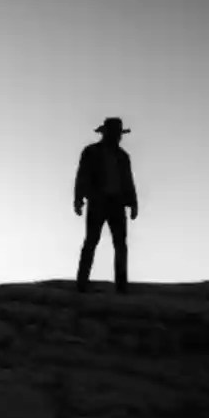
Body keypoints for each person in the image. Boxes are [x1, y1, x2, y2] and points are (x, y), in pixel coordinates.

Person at [73, 116, 139, 293]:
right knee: (91, 241)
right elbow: (82, 176)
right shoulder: (91, 152)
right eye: (115, 134)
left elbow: (128, 180)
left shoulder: (123, 157)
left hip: (116, 203)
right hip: (98, 201)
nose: (118, 137)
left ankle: (121, 285)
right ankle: (82, 283)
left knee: (120, 244)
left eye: (119, 134)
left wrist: (133, 203)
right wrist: (78, 198)